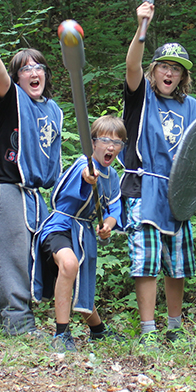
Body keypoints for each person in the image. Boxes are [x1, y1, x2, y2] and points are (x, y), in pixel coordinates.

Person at [122, 2, 196, 343]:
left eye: (177, 69)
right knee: (147, 259)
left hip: (178, 192)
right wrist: (142, 27)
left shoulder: (194, 108)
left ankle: (174, 327)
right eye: (164, 67)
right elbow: (131, 65)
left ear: (183, 76)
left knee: (178, 263)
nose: (170, 73)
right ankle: (147, 330)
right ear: (154, 71)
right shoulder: (141, 98)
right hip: (144, 186)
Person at [0, 33, 63, 338]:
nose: (33, 72)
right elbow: (0, 77)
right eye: (25, 68)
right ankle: (17, 322)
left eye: (38, 66)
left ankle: (19, 318)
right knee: (12, 255)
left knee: (31, 255)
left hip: (33, 193)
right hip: (6, 185)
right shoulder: (11, 99)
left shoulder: (51, 110)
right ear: (17, 77)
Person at [33, 116, 125, 352]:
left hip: (84, 235)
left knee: (82, 284)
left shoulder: (113, 177)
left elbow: (114, 209)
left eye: (117, 143)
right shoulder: (82, 165)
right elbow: (82, 178)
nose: (110, 147)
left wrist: (108, 226)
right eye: (105, 140)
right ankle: (61, 333)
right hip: (60, 228)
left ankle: (97, 330)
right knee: (70, 265)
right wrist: (88, 178)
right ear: (93, 143)